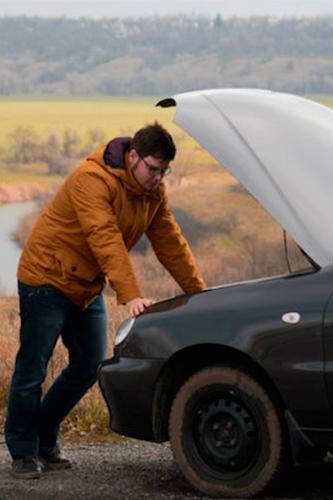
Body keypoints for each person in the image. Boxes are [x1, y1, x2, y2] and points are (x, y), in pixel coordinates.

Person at [5, 122, 206, 479]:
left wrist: (198, 293)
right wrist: (129, 294)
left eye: (165, 171)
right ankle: (22, 451)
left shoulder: (152, 194)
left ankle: (42, 436)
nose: (159, 177)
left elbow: (170, 243)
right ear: (133, 157)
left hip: (87, 284)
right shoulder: (92, 179)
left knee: (89, 365)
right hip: (46, 278)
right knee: (32, 370)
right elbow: (105, 238)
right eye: (153, 169)